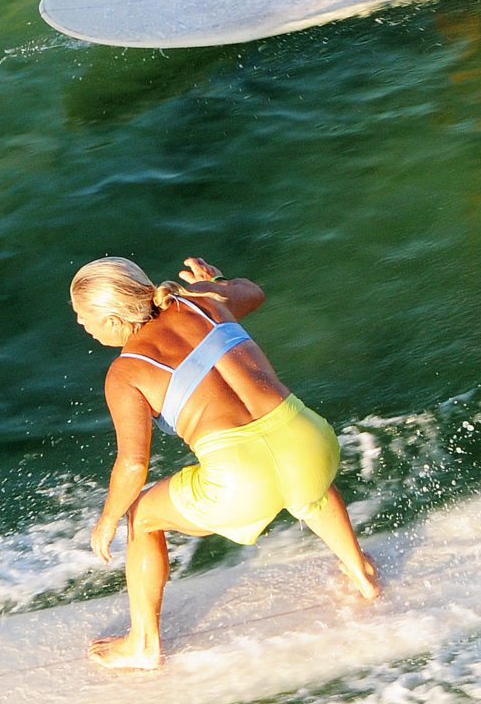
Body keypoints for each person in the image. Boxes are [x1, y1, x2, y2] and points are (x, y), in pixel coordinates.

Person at [74, 255, 380, 670]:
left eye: (83, 316)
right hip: (308, 437)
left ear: (111, 319)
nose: (81, 325)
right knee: (307, 478)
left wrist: (108, 519)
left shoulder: (125, 374)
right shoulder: (199, 301)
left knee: (142, 516)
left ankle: (143, 644)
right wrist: (213, 282)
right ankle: (361, 575)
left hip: (242, 481)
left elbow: (133, 463)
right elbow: (254, 293)